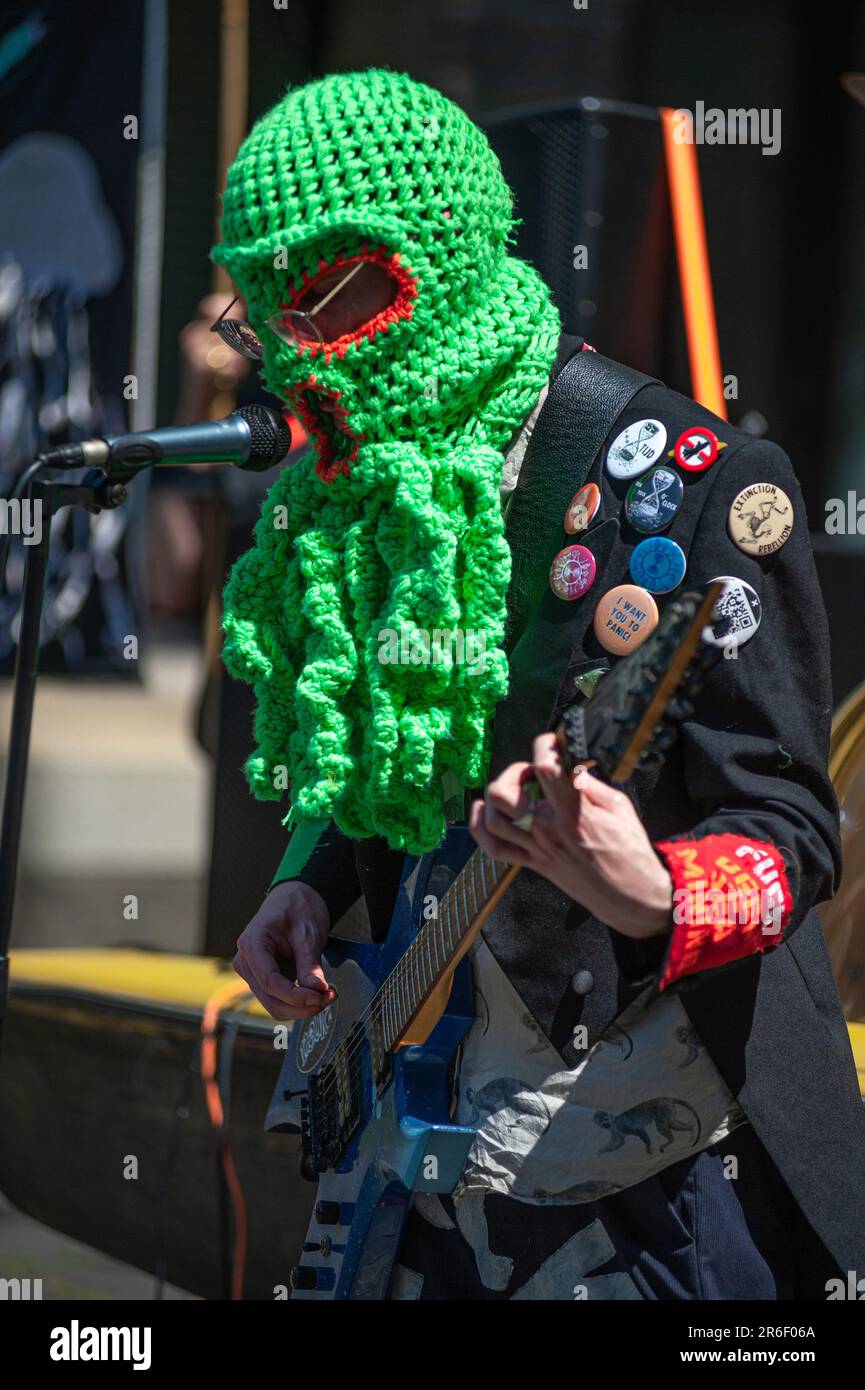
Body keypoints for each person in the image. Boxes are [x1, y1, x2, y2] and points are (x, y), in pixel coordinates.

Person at [213, 68, 865, 1299]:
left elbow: (793, 830)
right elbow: (393, 756)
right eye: (260, 319)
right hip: (416, 1162)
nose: (292, 359)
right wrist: (305, 878)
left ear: (439, 257)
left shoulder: (694, 484)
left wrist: (654, 887)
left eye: (329, 301)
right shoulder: (371, 489)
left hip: (646, 1183)